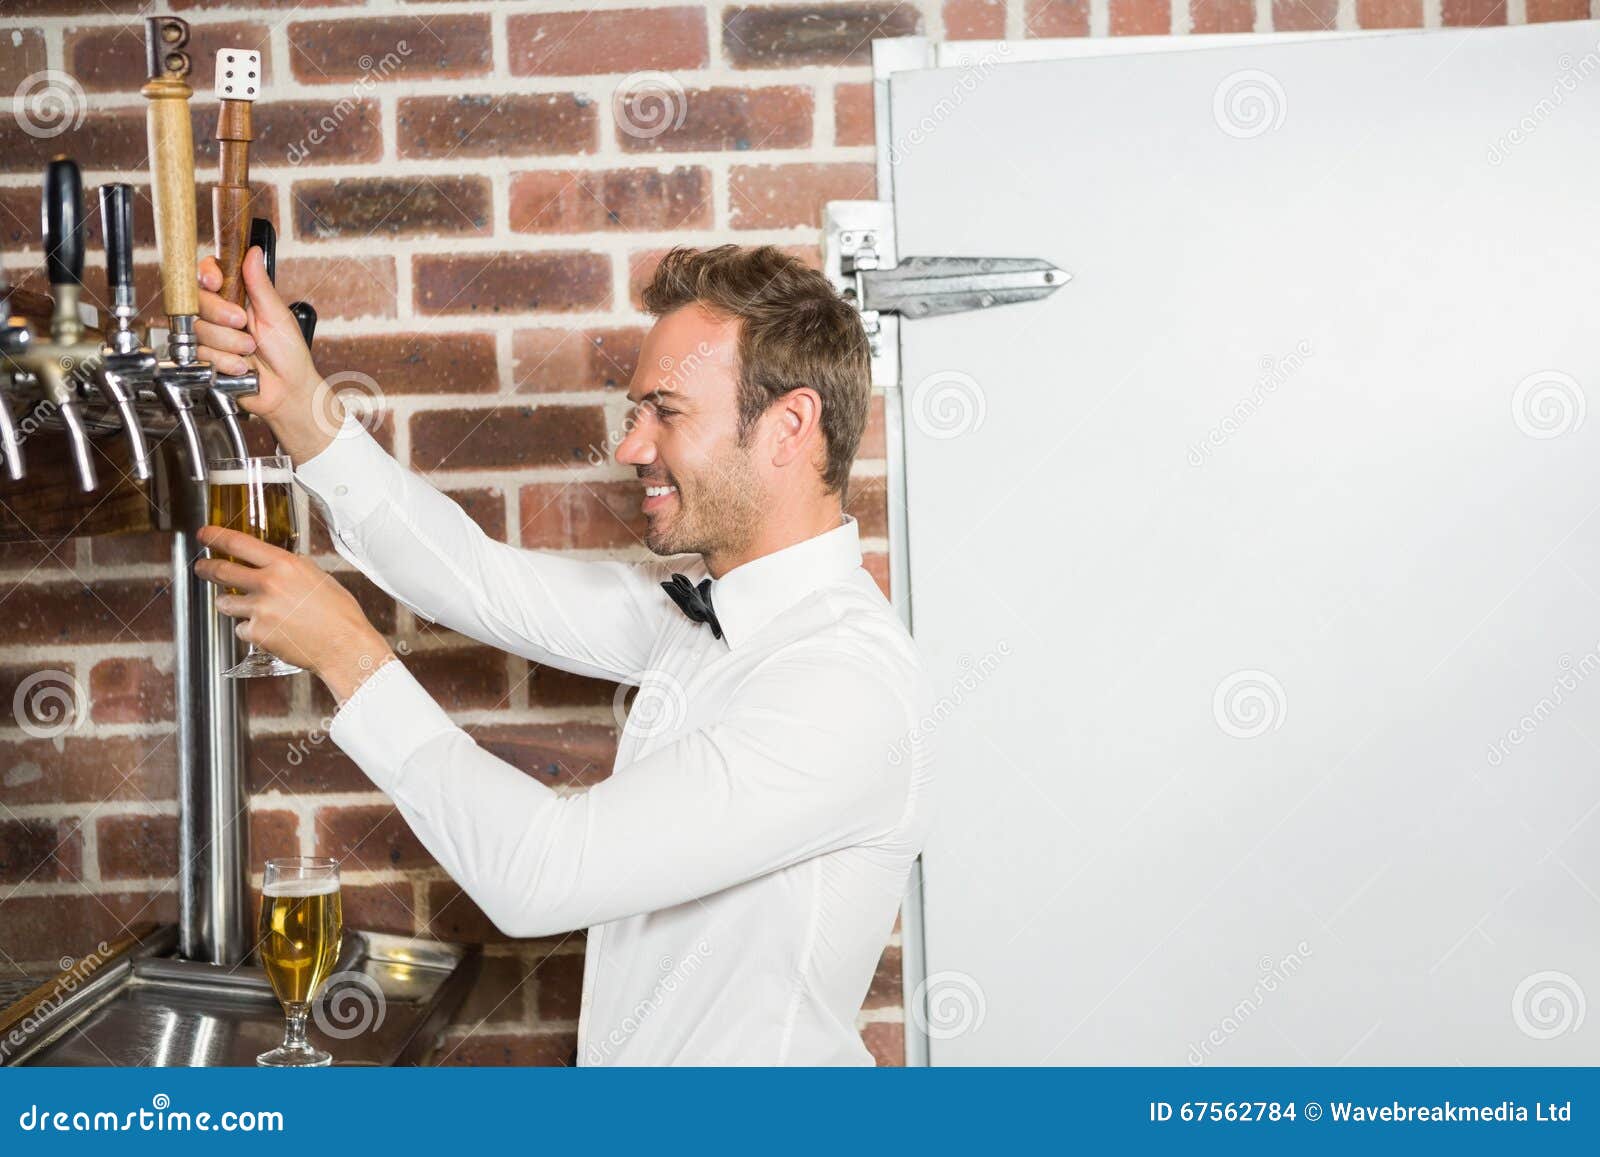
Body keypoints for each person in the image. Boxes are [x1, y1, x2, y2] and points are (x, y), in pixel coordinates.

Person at [191, 244, 936, 1066]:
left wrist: (345, 652)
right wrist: (300, 407)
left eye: (668, 411)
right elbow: (477, 579)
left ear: (789, 427)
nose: (632, 446)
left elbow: (543, 874)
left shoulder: (843, 684)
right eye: (637, 411)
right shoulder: (707, 606)